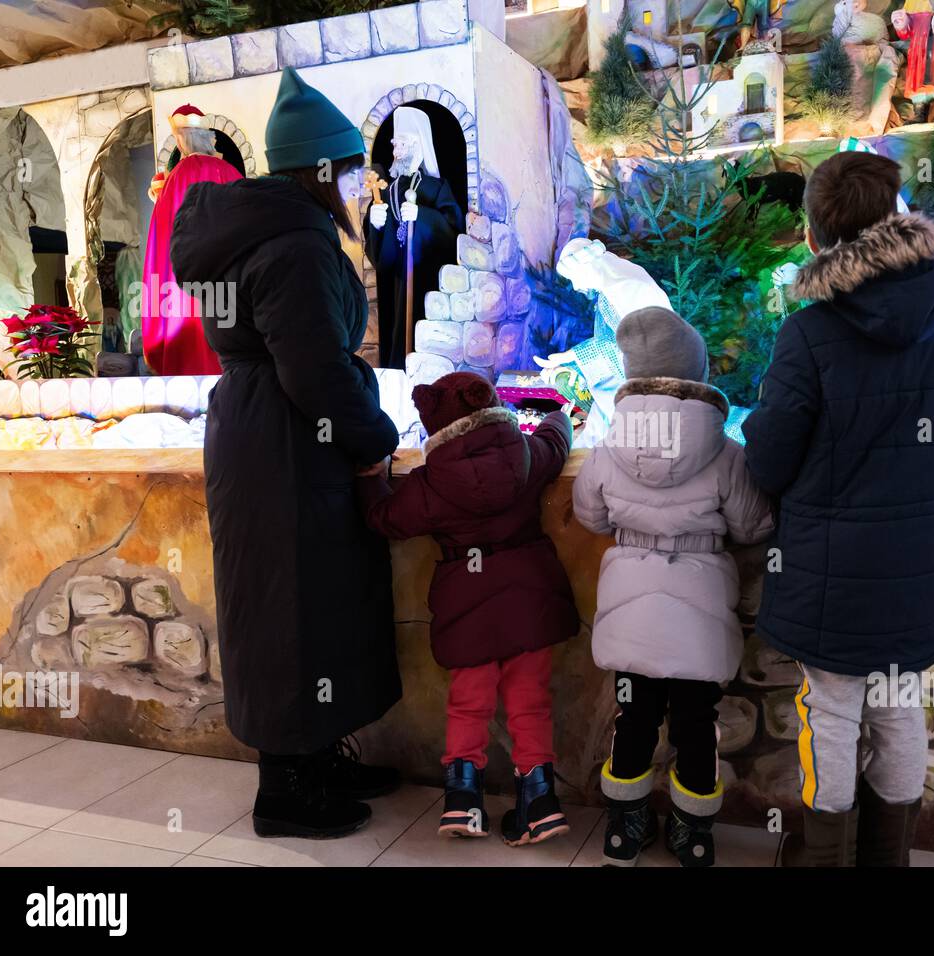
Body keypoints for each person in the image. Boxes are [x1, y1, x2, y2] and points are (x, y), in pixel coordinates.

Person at [170, 66, 402, 839]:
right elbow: (315, 370)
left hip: (264, 437)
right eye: (351, 172)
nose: (360, 187)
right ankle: (286, 790)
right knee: (290, 609)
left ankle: (317, 753)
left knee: (304, 601)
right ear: (322, 171)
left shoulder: (259, 232)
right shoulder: (296, 246)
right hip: (286, 443)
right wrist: (374, 439)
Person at [742, 151, 934, 867]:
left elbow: (770, 458)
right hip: (908, 569)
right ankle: (887, 857)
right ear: (894, 219)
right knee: (899, 707)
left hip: (828, 575)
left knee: (831, 716)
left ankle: (821, 857)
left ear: (812, 236)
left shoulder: (807, 335)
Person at [572, 307, 773, 867]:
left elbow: (589, 515)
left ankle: (624, 828)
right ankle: (694, 835)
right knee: (695, 724)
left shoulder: (610, 447)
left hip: (630, 613)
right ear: (696, 370)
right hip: (699, 611)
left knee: (633, 717)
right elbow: (755, 526)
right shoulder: (725, 451)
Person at [358, 372, 580, 846]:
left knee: (468, 703)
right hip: (531, 602)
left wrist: (373, 477)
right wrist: (557, 413)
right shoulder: (526, 456)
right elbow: (556, 437)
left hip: (468, 609)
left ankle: (463, 800)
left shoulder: (428, 484)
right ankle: (540, 801)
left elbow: (384, 520)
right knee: (530, 702)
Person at [141, 104, 241, 375]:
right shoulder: (230, 172)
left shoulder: (182, 173)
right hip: (228, 277)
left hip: (188, 280)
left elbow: (166, 234)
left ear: (181, 138)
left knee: (191, 332)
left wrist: (159, 199)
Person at [363, 106, 464, 369]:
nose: (397, 150)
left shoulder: (436, 187)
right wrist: (375, 223)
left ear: (419, 145)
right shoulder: (386, 189)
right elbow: (378, 248)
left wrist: (423, 217)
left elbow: (453, 229)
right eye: (395, 144)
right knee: (396, 331)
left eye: (404, 144)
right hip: (397, 278)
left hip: (427, 275)